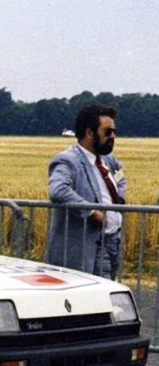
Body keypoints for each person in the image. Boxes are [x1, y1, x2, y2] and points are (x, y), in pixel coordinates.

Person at [46, 104, 126, 277]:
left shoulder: (108, 160)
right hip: (91, 246)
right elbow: (58, 190)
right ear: (90, 133)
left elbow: (120, 179)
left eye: (114, 132)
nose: (113, 136)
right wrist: (91, 211)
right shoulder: (68, 160)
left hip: (113, 242)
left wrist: (119, 202)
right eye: (107, 132)